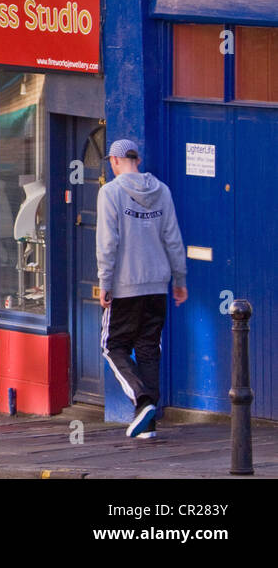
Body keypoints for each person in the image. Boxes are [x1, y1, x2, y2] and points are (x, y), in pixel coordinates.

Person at [95, 139, 188, 439]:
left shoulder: (109, 193)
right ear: (138, 159)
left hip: (125, 286)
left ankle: (142, 400)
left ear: (115, 161)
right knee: (148, 348)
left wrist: (104, 283)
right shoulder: (162, 191)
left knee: (112, 346)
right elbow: (173, 238)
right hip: (157, 285)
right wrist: (180, 280)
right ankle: (147, 422)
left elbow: (108, 243)